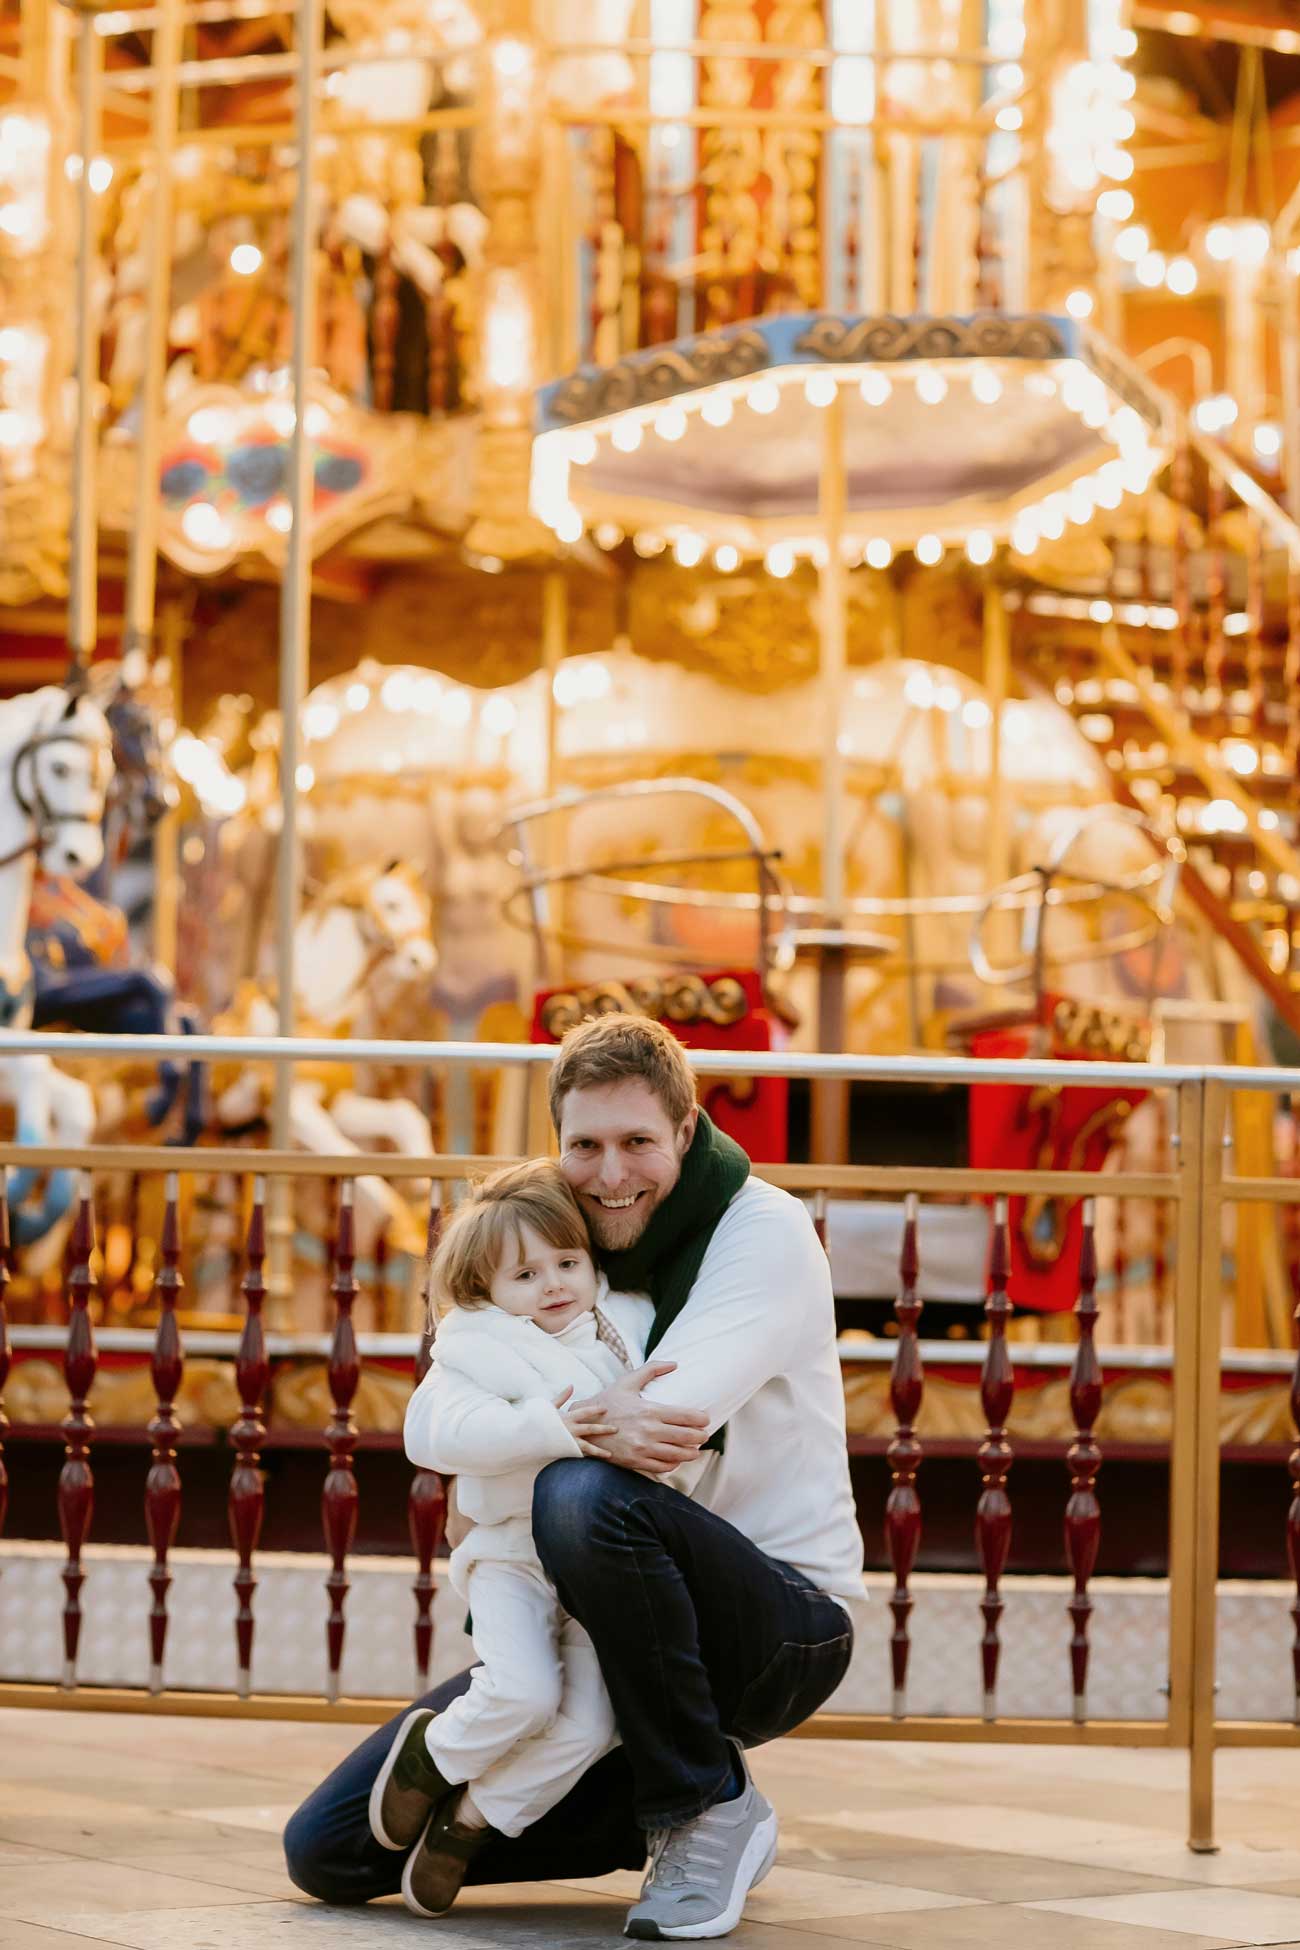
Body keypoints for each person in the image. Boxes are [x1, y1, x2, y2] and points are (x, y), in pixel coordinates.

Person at [284, 1012, 864, 1941]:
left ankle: (704, 1804)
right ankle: (637, 1800)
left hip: (774, 1624)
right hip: (598, 1620)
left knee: (579, 1492)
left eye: (638, 1141)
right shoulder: (560, 1240)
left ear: (685, 1130)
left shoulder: (765, 1230)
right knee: (331, 1851)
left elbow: (661, 1426)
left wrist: (517, 1429)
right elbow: (456, 1395)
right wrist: (517, 1414)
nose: (610, 1173)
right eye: (584, 1146)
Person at [370, 1157, 664, 1917]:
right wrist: (548, 1429)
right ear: (486, 1291)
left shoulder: (629, 1323)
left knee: (592, 1724)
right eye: (525, 1276)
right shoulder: (476, 1345)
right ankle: (430, 1759)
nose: (554, 1284)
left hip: (601, 1565)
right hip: (512, 1553)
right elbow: (431, 1431)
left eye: (567, 1262)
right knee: (522, 1691)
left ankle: (470, 1824)